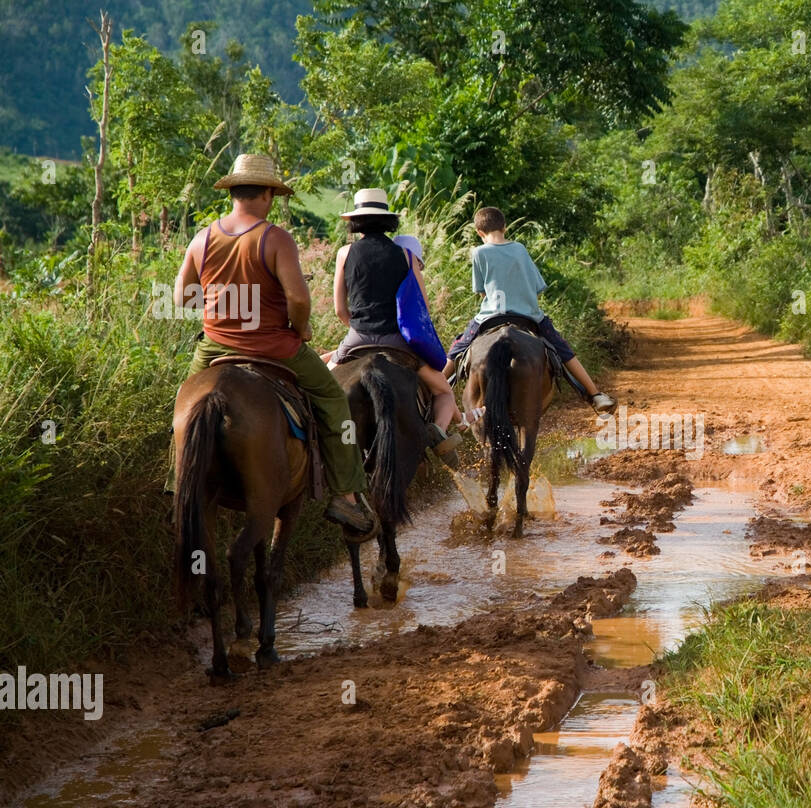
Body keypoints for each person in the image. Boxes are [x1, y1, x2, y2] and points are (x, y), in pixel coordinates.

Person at [172, 153, 377, 541]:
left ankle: (177, 482)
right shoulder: (275, 238)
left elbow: (183, 296)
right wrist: (301, 330)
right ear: (266, 194)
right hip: (274, 348)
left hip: (214, 348)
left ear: (233, 192)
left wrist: (222, 301)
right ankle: (346, 496)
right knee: (334, 403)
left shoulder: (202, 238)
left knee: (184, 409)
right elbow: (298, 300)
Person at [321, 189, 464, 467]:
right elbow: (421, 308)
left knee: (321, 391)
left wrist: (360, 327)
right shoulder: (407, 256)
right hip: (398, 343)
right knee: (445, 391)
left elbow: (340, 309)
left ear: (356, 221)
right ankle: (439, 431)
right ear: (387, 221)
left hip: (356, 339)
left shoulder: (344, 253)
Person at [442, 206, 616, 413]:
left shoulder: (478, 252)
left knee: (456, 351)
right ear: (504, 227)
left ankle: (435, 392)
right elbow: (537, 287)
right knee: (563, 350)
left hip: (490, 317)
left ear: (479, 232)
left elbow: (481, 292)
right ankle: (595, 395)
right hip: (528, 315)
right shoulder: (520, 249)